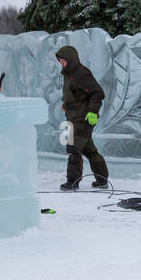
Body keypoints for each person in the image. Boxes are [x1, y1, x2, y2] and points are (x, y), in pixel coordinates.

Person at [55, 45, 109, 190]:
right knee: (89, 150)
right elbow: (76, 94)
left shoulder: (81, 73)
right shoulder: (69, 73)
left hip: (84, 118)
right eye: (60, 61)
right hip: (74, 117)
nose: (61, 63)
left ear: (70, 59)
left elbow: (98, 93)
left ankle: (72, 182)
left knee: (73, 149)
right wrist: (67, 105)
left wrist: (92, 111)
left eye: (63, 60)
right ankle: (102, 180)